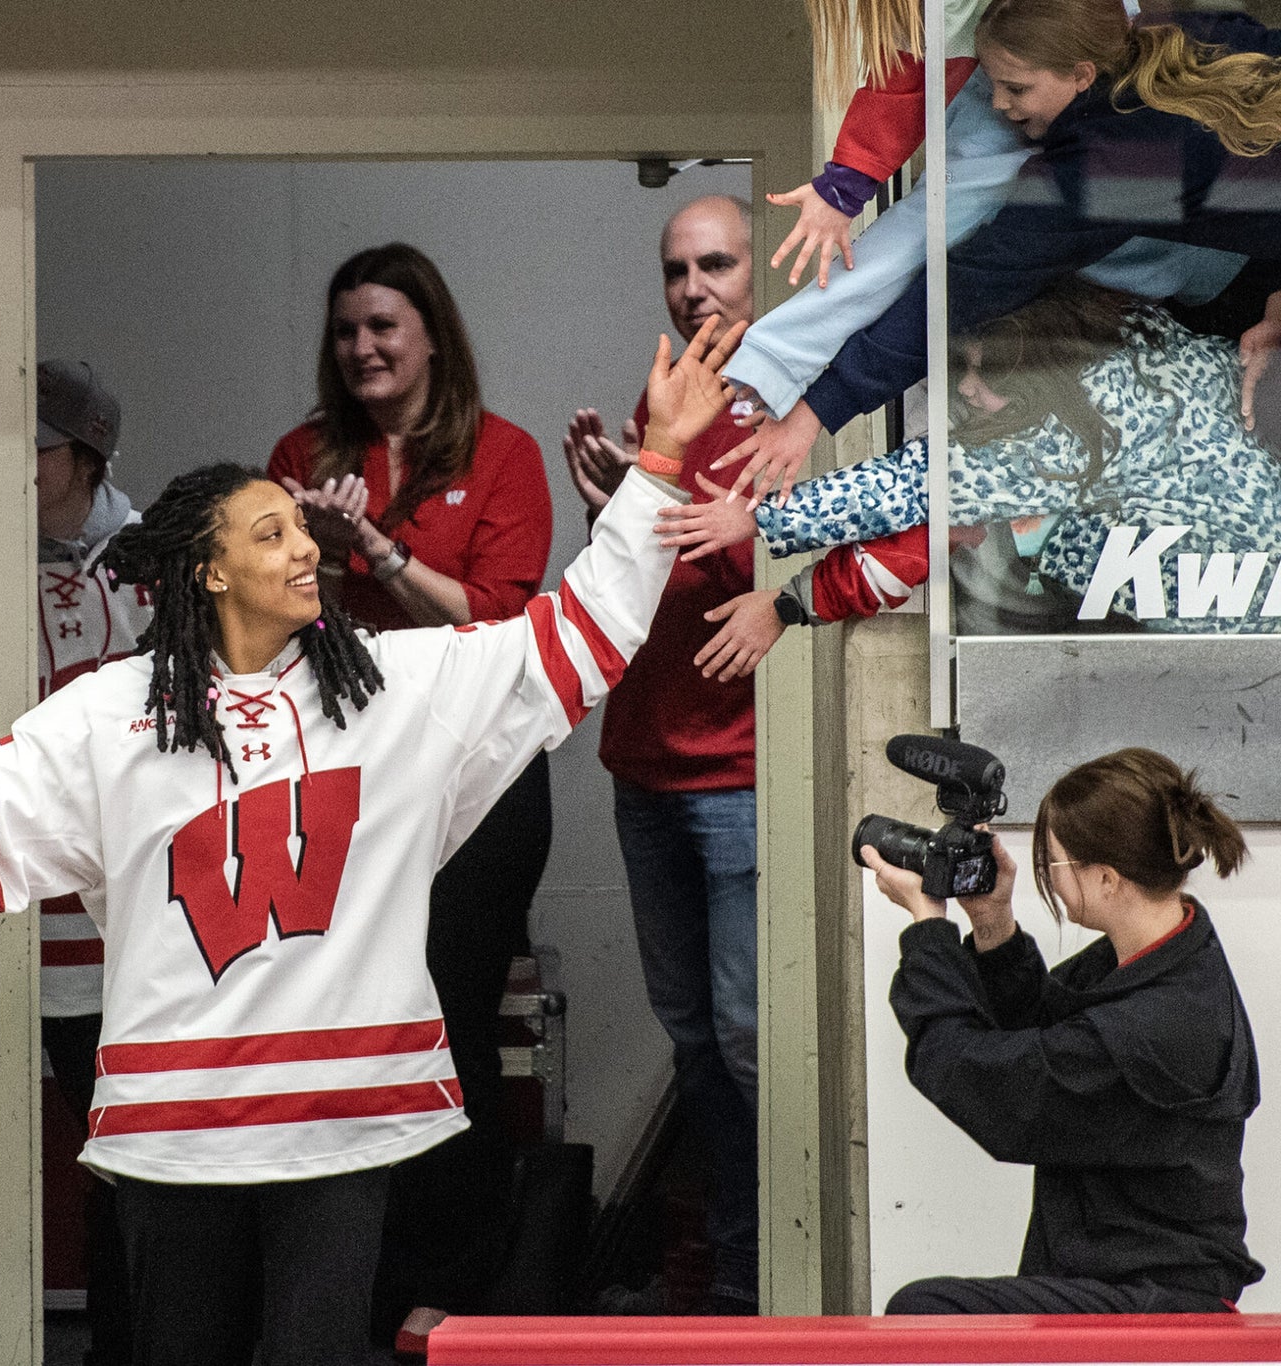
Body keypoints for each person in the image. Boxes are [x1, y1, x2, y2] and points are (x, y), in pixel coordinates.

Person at [0, 318, 748, 1366]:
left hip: (340, 1127)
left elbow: (581, 635)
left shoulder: (395, 687)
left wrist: (657, 465)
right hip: (171, 1136)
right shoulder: (107, 713)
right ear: (208, 572)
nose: (304, 546)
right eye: (269, 532)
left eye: (299, 529)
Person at [265, 243, 556, 1349]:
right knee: (342, 1027)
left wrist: (373, 549)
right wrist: (319, 561)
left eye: (383, 327)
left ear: (431, 332)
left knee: (451, 1023)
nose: (363, 349)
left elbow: (491, 626)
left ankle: (449, 1289)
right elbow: (266, 616)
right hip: (341, 784)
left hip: (474, 783)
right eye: (346, 331)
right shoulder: (301, 453)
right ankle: (352, 1279)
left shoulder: (503, 454)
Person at [728, 0, 1281, 499]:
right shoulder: (1198, 33)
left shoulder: (1110, 165)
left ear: (1082, 73)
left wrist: (816, 410)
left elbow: (962, 289)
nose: (998, 104)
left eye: (1015, 88)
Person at [656, 283, 1281, 660]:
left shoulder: (1061, 438)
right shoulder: (1150, 344)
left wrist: (758, 516)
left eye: (995, 372)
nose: (973, 392)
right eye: (965, 370)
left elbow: (908, 484)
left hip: (1230, 628)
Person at [862, 747, 1262, 1314]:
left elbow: (973, 1076)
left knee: (926, 1312)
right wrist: (993, 924)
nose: (1046, 877)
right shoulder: (1175, 953)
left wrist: (929, 928)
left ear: (1105, 878)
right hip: (1114, 1271)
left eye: (1053, 865)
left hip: (1153, 1297)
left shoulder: (1154, 1024)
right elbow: (1046, 1031)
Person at [561, 194, 761, 1316]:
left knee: (743, 1035)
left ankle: (767, 1269)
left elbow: (792, 586)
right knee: (691, 1040)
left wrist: (705, 519)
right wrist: (611, 507)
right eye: (675, 269)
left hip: (736, 775)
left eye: (715, 264)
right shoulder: (664, 398)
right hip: (643, 766)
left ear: (756, 272)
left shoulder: (791, 402)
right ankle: (732, 1276)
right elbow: (651, 573)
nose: (692, 288)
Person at [33, 357, 144, 1366]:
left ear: (84, 454)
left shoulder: (151, 556)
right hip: (44, 924)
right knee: (98, 1144)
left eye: (36, 449)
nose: (17, 468)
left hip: (140, 920)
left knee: (134, 1154)